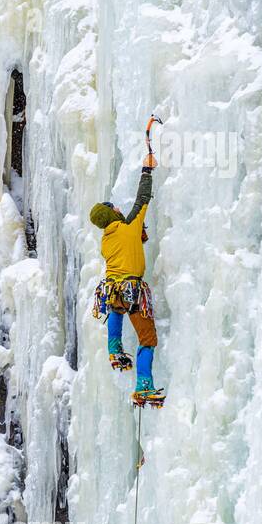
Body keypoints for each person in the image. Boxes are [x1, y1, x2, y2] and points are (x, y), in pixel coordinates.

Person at [90, 145, 163, 406]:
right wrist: (147, 169)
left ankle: (114, 348)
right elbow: (141, 199)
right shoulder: (127, 227)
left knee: (116, 311)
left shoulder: (107, 240)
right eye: (115, 209)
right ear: (113, 214)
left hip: (113, 293)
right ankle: (144, 385)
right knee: (147, 339)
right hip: (132, 292)